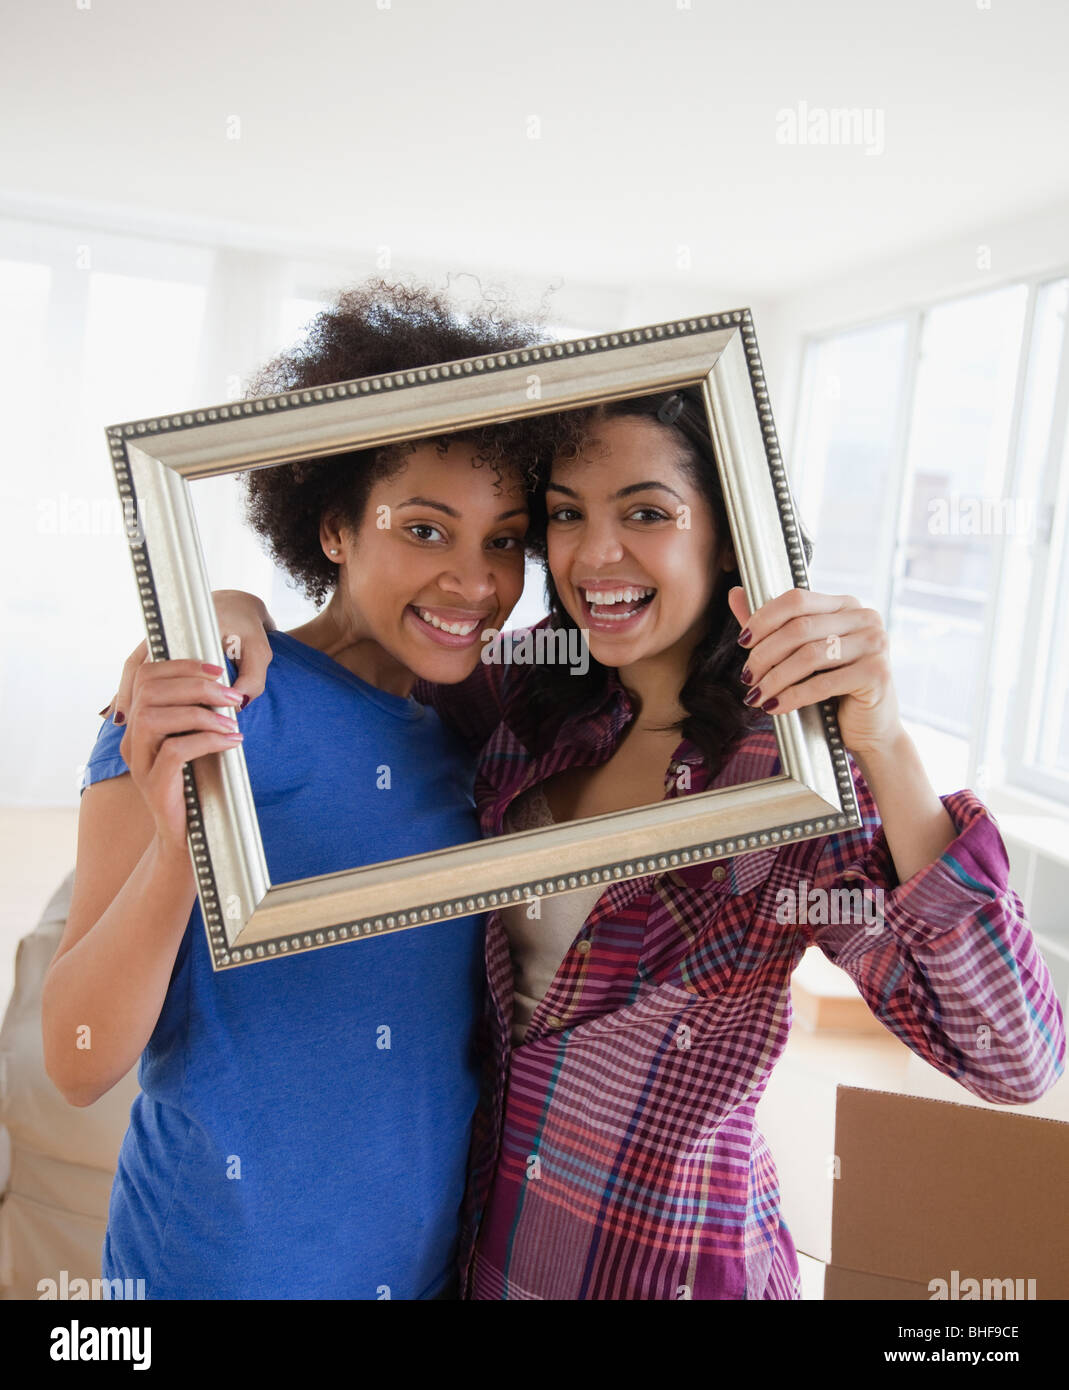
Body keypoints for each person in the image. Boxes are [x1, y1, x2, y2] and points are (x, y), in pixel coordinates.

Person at [106, 385, 1066, 1301]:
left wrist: (888, 743)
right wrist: (227, 614)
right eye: (565, 516)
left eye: (645, 513)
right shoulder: (523, 698)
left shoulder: (793, 779)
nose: (595, 555)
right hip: (489, 1252)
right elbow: (375, 645)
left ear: (731, 534)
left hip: (670, 1264)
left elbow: (1012, 1056)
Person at [42, 279, 559, 1299]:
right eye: (423, 529)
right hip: (212, 1272)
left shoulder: (480, 739)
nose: (472, 581)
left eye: (503, 539)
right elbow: (77, 1056)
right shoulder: (211, 700)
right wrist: (186, 842)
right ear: (332, 527)